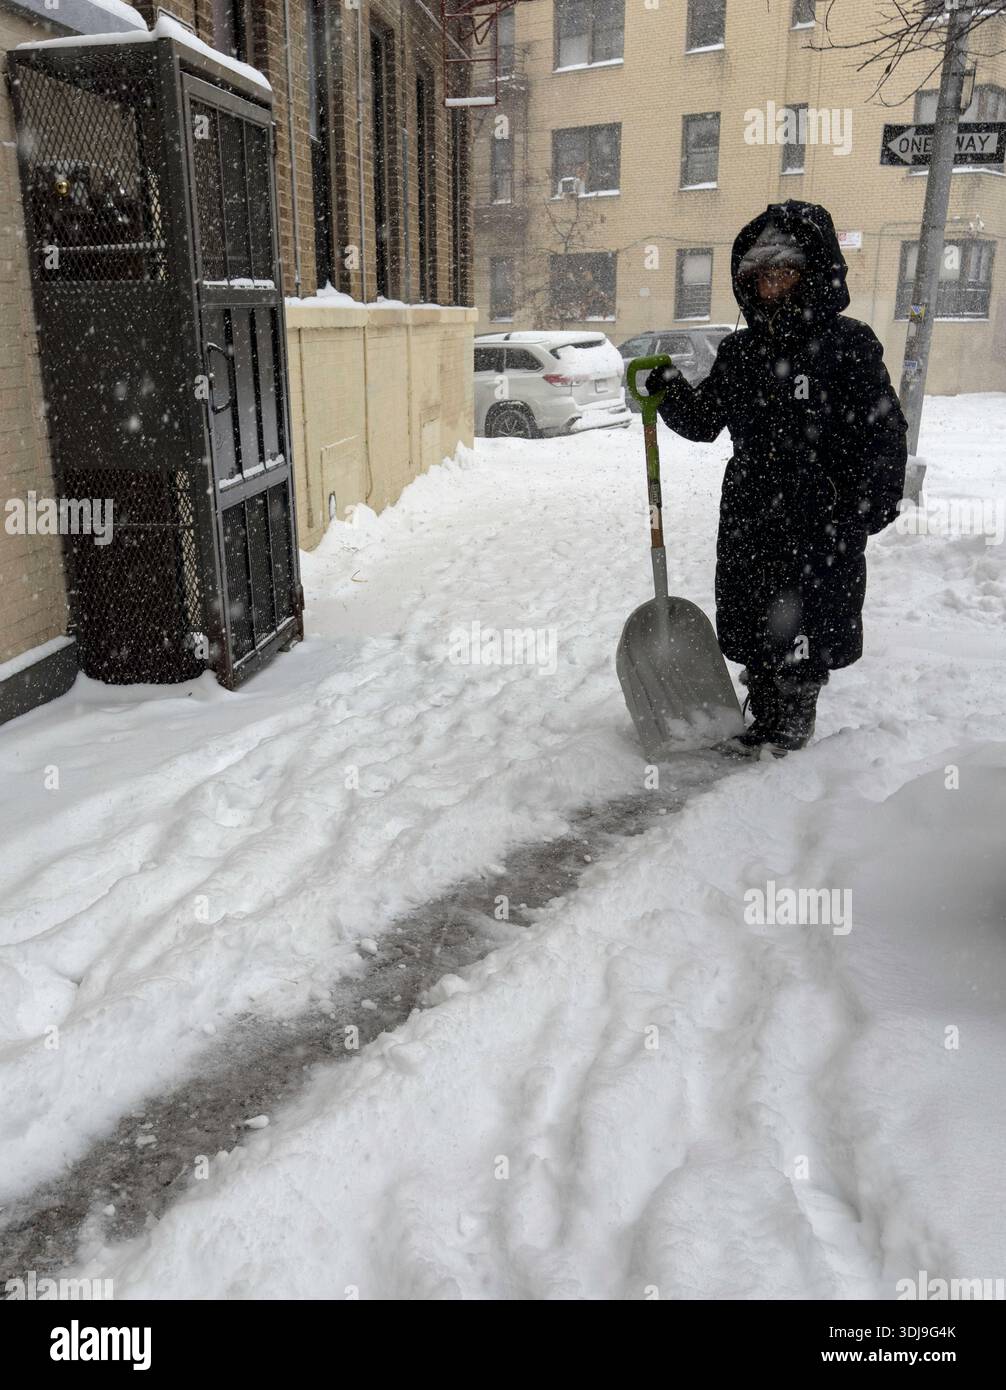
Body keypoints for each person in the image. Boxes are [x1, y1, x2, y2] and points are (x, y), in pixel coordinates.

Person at [646, 200, 908, 754]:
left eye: (783, 270)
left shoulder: (847, 345)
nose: (771, 284)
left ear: (813, 271)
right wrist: (667, 388)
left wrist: (869, 503)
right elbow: (704, 420)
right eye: (760, 274)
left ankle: (788, 731)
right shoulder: (742, 352)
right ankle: (764, 711)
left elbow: (883, 432)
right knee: (756, 624)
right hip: (753, 512)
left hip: (821, 515)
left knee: (806, 629)